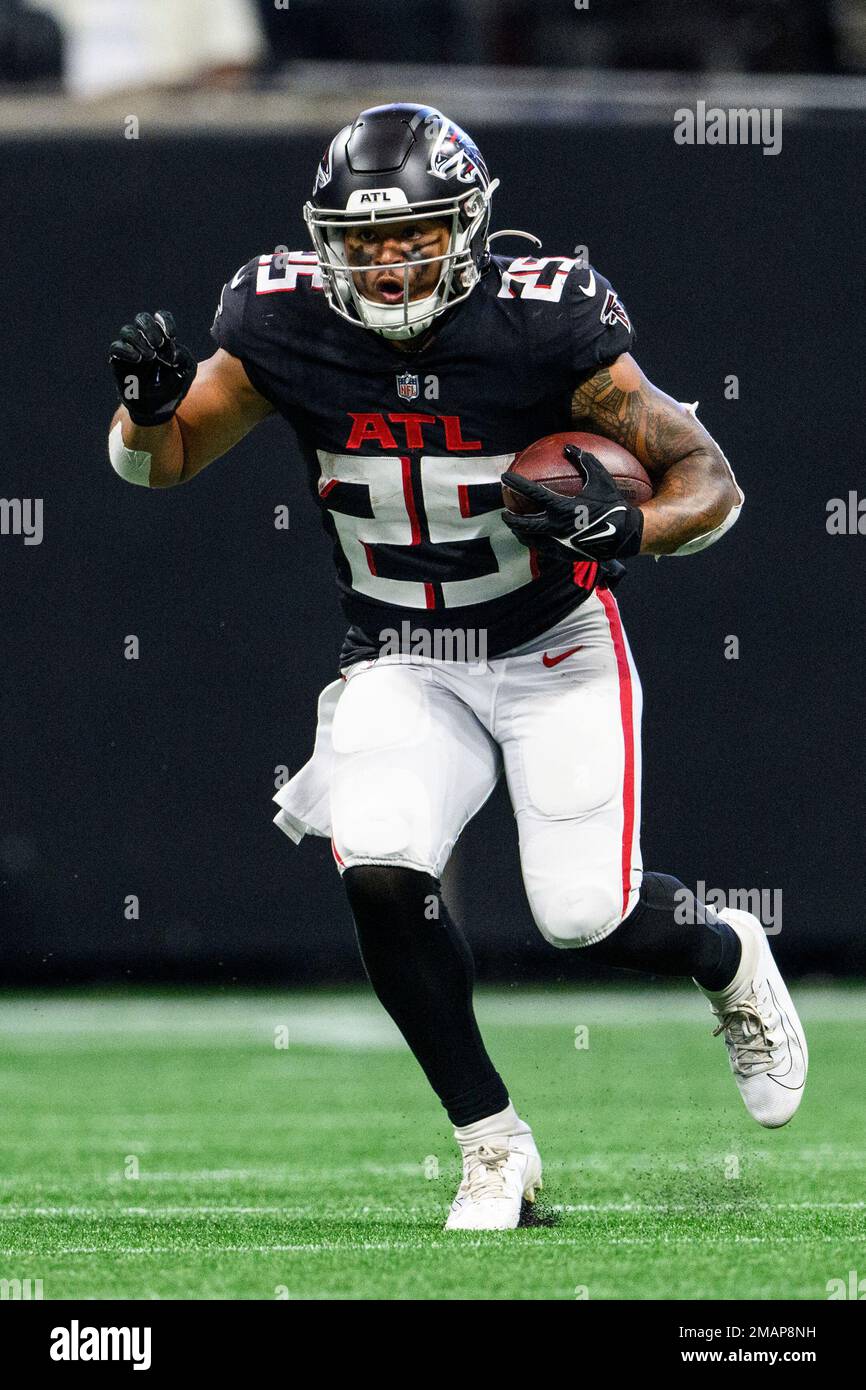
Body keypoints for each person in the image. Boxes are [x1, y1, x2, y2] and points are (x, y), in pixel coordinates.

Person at [107, 103, 807, 1232]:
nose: (388, 262)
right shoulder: (280, 319)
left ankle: (724, 952)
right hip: (399, 652)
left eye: (414, 233)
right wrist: (138, 414)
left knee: (586, 916)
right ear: (324, 240)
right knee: (379, 862)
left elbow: (707, 477)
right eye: (364, 239)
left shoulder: (543, 325)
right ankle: (492, 1146)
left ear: (467, 225)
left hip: (550, 644)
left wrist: (631, 533)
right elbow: (166, 460)